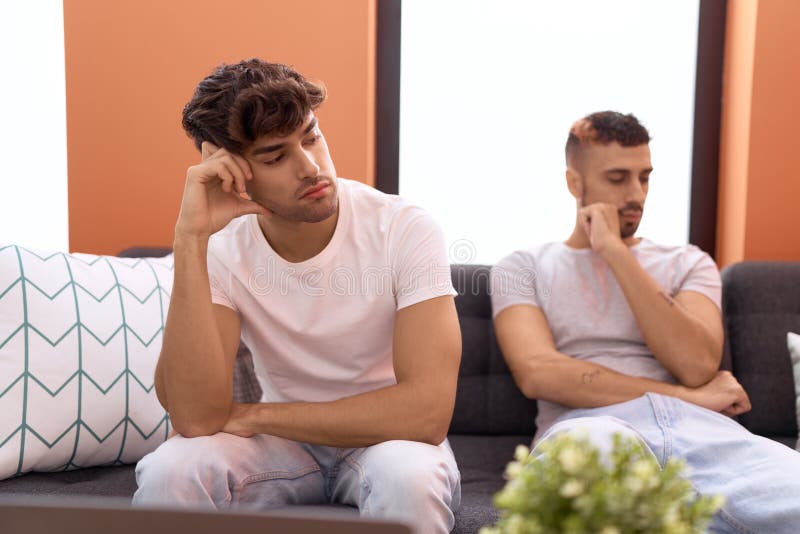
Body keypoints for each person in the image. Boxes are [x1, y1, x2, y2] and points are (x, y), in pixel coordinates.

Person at [133, 58, 462, 533]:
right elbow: (196, 416)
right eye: (274, 157)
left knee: (408, 478)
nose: (311, 168)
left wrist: (255, 414)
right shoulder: (222, 247)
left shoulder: (405, 228)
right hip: (284, 449)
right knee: (172, 470)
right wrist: (190, 239)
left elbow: (427, 413)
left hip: (390, 440)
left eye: (311, 137)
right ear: (228, 168)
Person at [491, 111, 800, 533]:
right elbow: (538, 373)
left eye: (645, 177)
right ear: (574, 184)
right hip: (589, 430)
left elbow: (696, 364)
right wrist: (688, 396)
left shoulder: (689, 262)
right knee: (590, 499)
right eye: (617, 179)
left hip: (703, 434)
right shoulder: (521, 267)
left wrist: (616, 253)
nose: (636, 193)